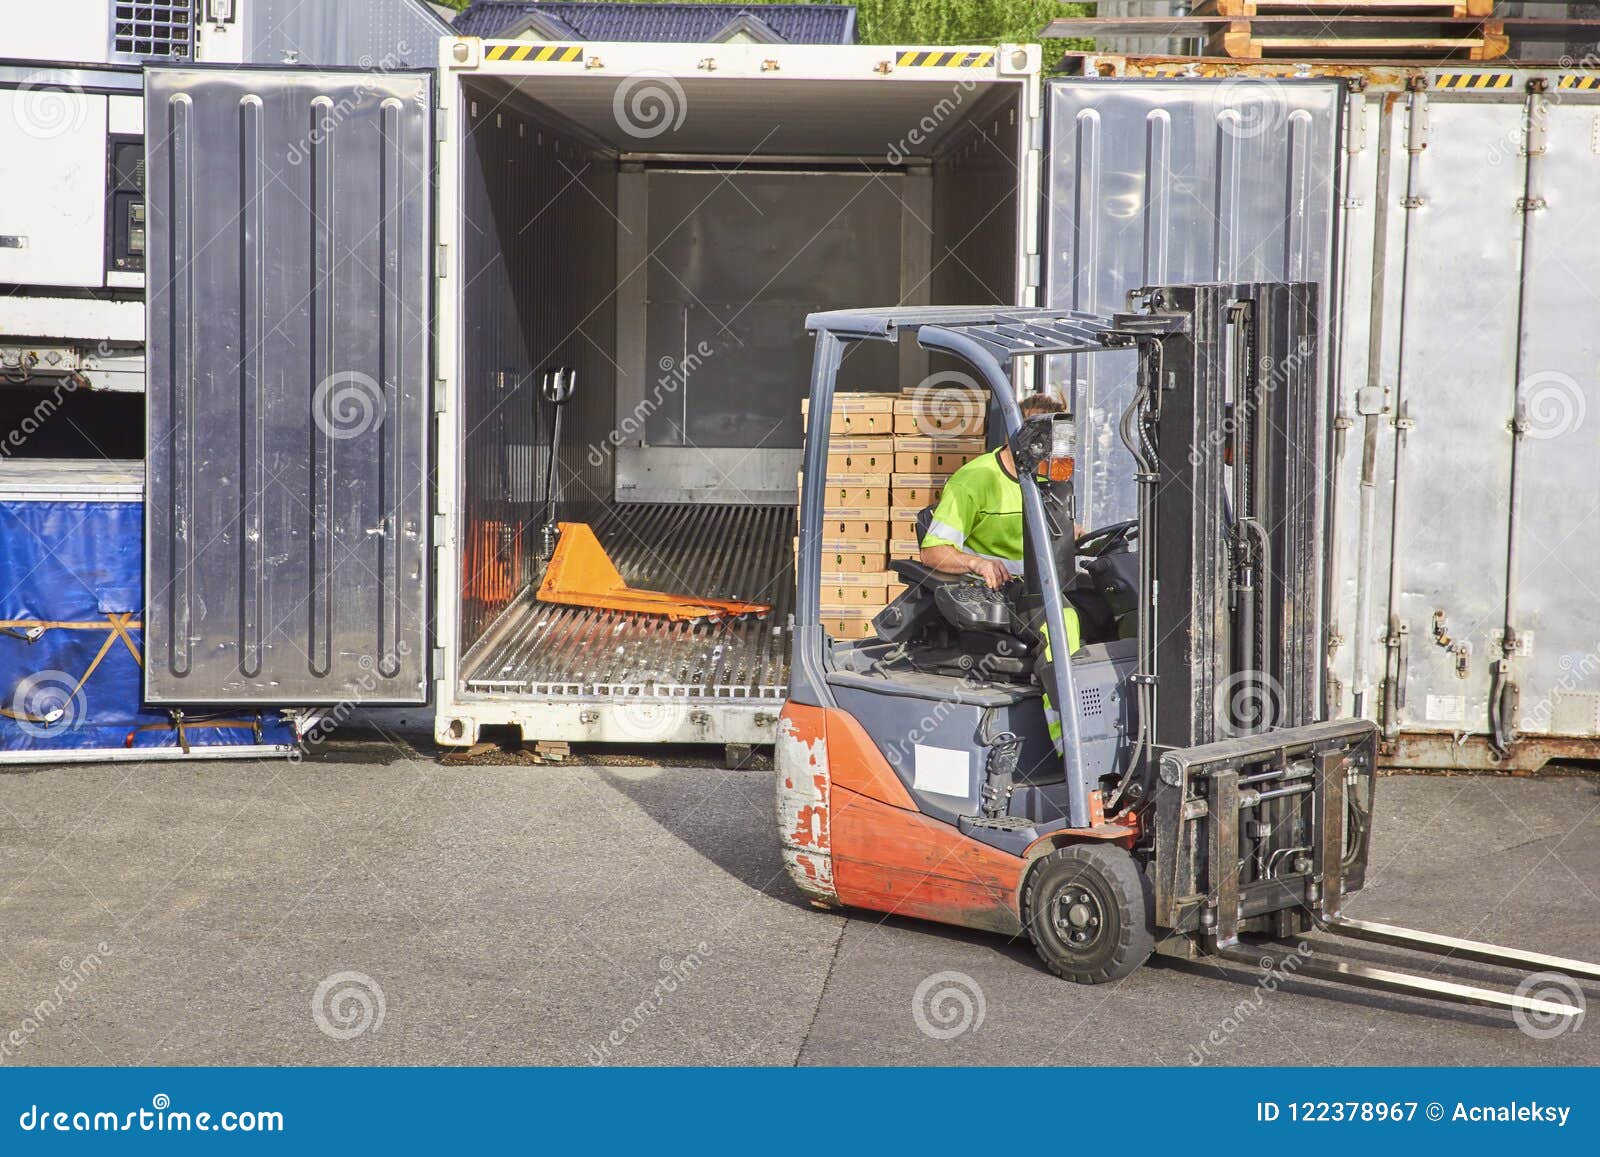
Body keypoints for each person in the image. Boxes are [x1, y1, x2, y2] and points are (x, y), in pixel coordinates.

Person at [919, 391, 1081, 749]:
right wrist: (977, 561)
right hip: (1003, 589)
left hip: (1045, 578)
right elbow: (933, 551)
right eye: (1044, 441)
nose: (1053, 450)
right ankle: (1069, 741)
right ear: (1019, 436)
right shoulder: (975, 480)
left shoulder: (1049, 480)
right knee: (1063, 622)